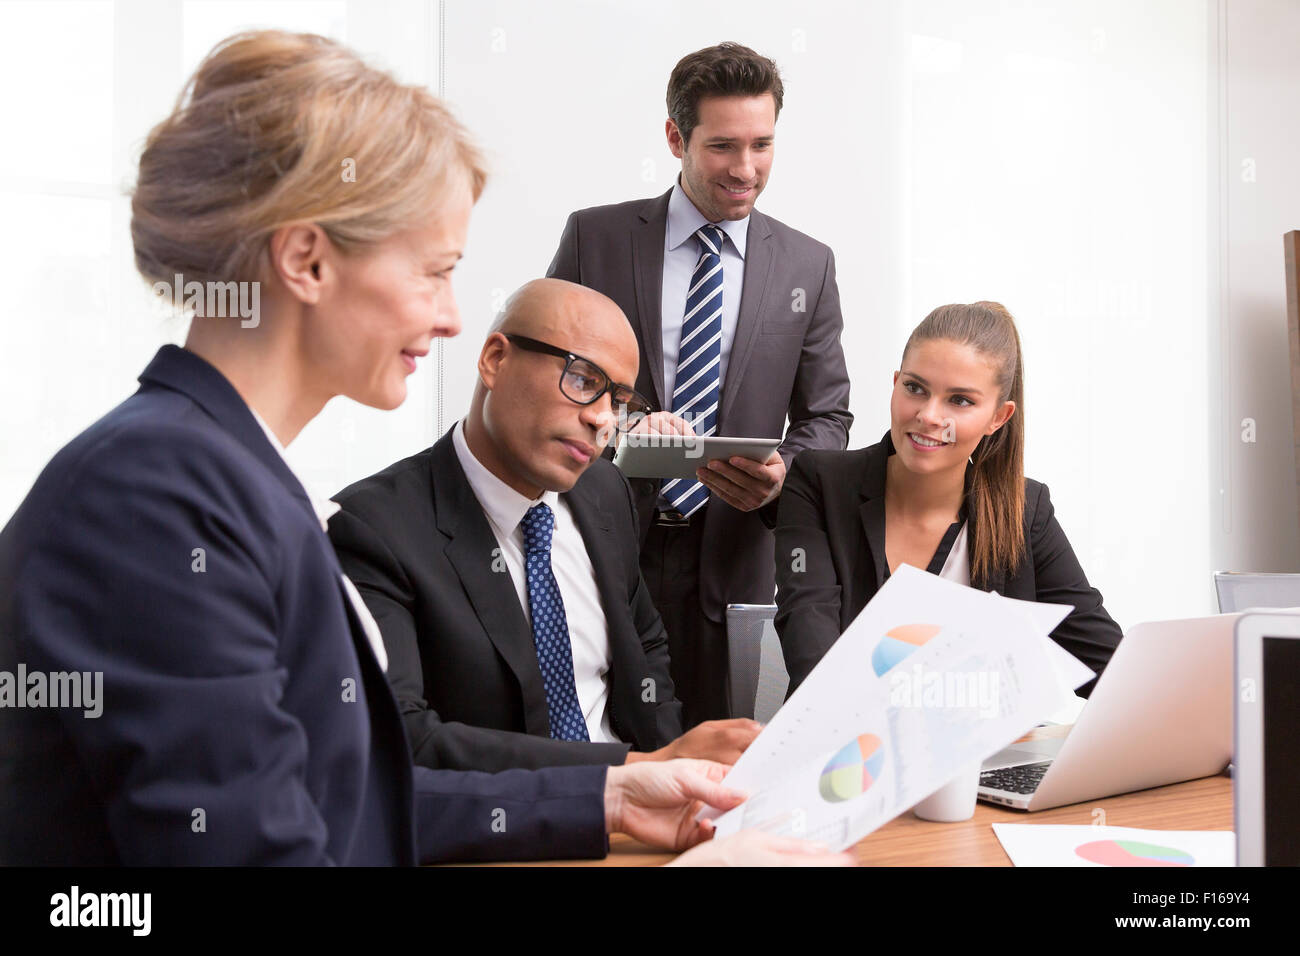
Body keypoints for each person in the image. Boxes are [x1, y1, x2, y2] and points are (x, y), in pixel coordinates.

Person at [0, 29, 850, 868]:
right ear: (306, 258)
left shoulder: (225, 475)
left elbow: (341, 799)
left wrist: (613, 794)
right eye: (433, 270)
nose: (450, 318)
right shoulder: (158, 498)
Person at [329, 278, 762, 773]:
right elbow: (403, 740)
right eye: (583, 381)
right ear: (495, 360)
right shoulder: (371, 529)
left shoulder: (605, 492)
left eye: (619, 402)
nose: (603, 421)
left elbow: (645, 643)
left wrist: (673, 767)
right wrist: (626, 775)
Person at [546, 43, 853, 727]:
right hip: (601, 537)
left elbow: (828, 415)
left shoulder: (808, 265)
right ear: (675, 137)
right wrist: (621, 426)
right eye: (723, 147)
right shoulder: (596, 239)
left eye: (762, 145)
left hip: (733, 558)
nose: (746, 170)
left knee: (718, 768)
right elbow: (551, 379)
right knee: (599, 756)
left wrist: (783, 475)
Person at [775, 301, 1123, 697]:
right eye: (914, 388)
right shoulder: (820, 483)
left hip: (990, 758)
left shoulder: (1025, 511)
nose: (928, 415)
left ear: (999, 417)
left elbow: (1108, 666)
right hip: (845, 749)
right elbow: (811, 641)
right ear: (895, 383)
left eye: (960, 400)